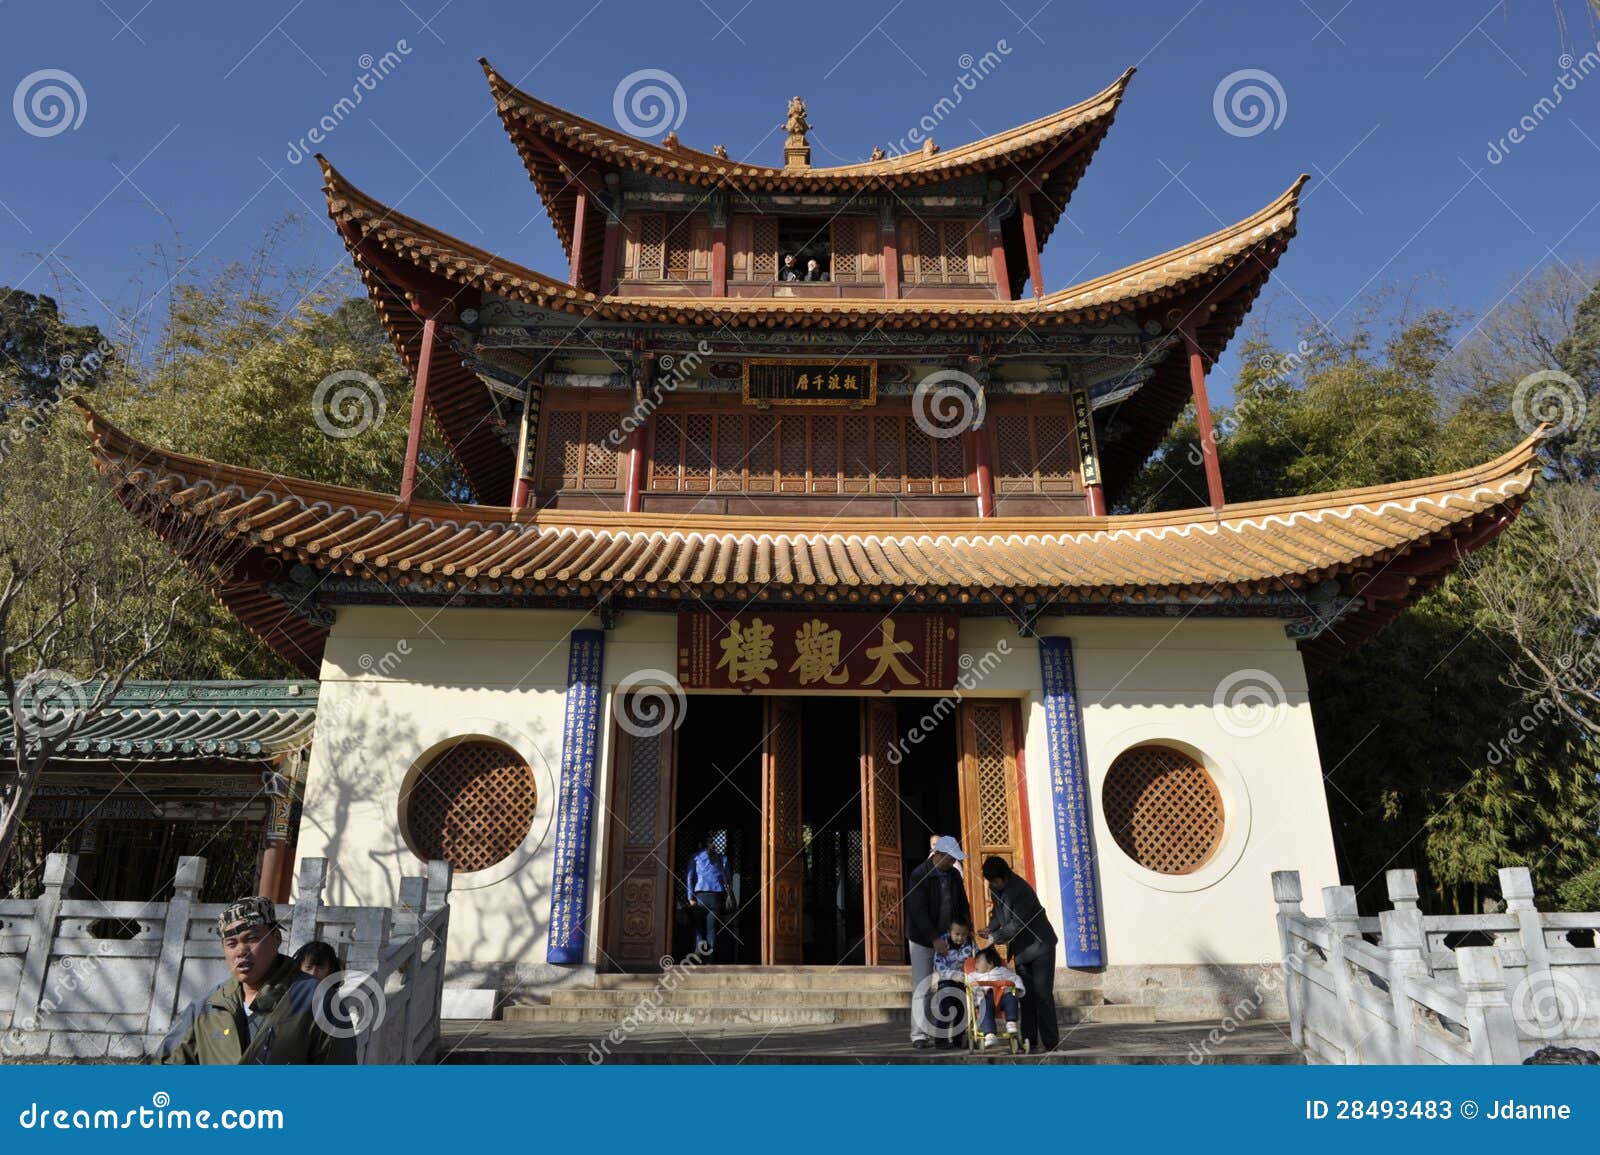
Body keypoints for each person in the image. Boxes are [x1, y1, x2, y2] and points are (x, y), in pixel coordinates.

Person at [153, 897, 355, 1064]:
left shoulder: (319, 1001)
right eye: (231, 943)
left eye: (251, 939)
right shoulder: (207, 1008)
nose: (241, 951)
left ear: (276, 938)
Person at [978, 856, 1060, 1053]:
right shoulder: (995, 888)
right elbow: (998, 915)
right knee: (1025, 996)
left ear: (1004, 876)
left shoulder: (1020, 889)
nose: (993, 884)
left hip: (1040, 946)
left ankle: (1050, 1043)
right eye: (991, 881)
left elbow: (1017, 923)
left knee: (1042, 995)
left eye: (996, 880)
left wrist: (996, 938)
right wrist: (990, 929)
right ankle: (1029, 1041)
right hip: (1022, 951)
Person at [904, 834, 970, 1048]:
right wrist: (934, 938)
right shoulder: (919, 875)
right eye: (950, 858)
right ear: (938, 854)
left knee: (952, 985)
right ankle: (919, 1035)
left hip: (950, 938)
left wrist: (964, 930)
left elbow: (963, 906)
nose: (953, 863)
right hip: (922, 938)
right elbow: (918, 911)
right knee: (921, 986)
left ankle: (953, 1033)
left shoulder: (954, 876)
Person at [966, 945, 1025, 1049]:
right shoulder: (974, 975)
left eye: (979, 961)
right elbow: (970, 985)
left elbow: (1015, 978)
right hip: (986, 999)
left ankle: (1011, 1022)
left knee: (1011, 996)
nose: (976, 964)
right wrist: (978, 990)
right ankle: (989, 1034)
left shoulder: (1002, 971)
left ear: (990, 964)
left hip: (1003, 998)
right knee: (985, 1007)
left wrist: (1018, 989)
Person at [933, 919, 977, 1039]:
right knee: (945, 1010)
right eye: (957, 934)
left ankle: (959, 1039)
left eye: (963, 934)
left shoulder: (970, 944)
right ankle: (941, 1039)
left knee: (962, 1011)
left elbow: (976, 959)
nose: (960, 938)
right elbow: (938, 964)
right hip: (946, 982)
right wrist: (951, 975)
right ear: (950, 932)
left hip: (964, 982)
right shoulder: (943, 943)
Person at [686, 838, 729, 957]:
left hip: (700, 897)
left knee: (698, 928)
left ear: (701, 845)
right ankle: (709, 961)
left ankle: (697, 957)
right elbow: (728, 879)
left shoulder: (695, 857)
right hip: (716, 897)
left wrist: (690, 897)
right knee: (712, 930)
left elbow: (689, 878)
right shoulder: (722, 858)